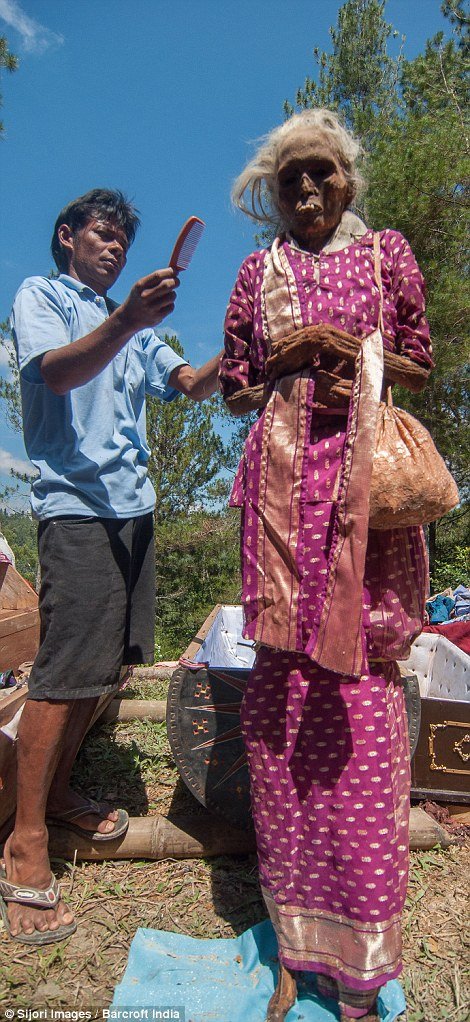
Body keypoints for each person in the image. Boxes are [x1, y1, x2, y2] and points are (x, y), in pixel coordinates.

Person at [219, 110, 433, 1022]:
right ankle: (296, 954)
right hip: (278, 504)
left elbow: (420, 363)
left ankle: (362, 964)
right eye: (289, 180)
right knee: (281, 716)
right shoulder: (257, 273)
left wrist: (357, 355)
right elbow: (234, 387)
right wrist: (282, 359)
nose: (306, 192)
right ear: (272, 193)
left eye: (322, 174)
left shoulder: (387, 256)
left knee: (361, 705)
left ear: (347, 177)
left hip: (367, 504)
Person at [1, 188, 222, 946]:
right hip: (76, 508)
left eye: (124, 240)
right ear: (68, 236)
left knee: (102, 671)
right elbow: (57, 373)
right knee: (62, 672)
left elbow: (190, 384)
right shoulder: (44, 297)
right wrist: (126, 317)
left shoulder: (138, 328)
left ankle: (60, 793)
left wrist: (246, 347)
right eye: (102, 234)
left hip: (136, 512)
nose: (116, 247)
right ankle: (25, 841)